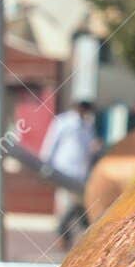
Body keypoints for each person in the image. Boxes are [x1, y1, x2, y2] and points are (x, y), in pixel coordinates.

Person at [40, 99, 99, 249]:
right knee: (68, 204)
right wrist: (45, 166)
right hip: (64, 170)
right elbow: (51, 143)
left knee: (78, 204)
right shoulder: (63, 122)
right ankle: (65, 234)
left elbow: (88, 148)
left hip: (81, 173)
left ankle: (77, 234)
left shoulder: (87, 125)